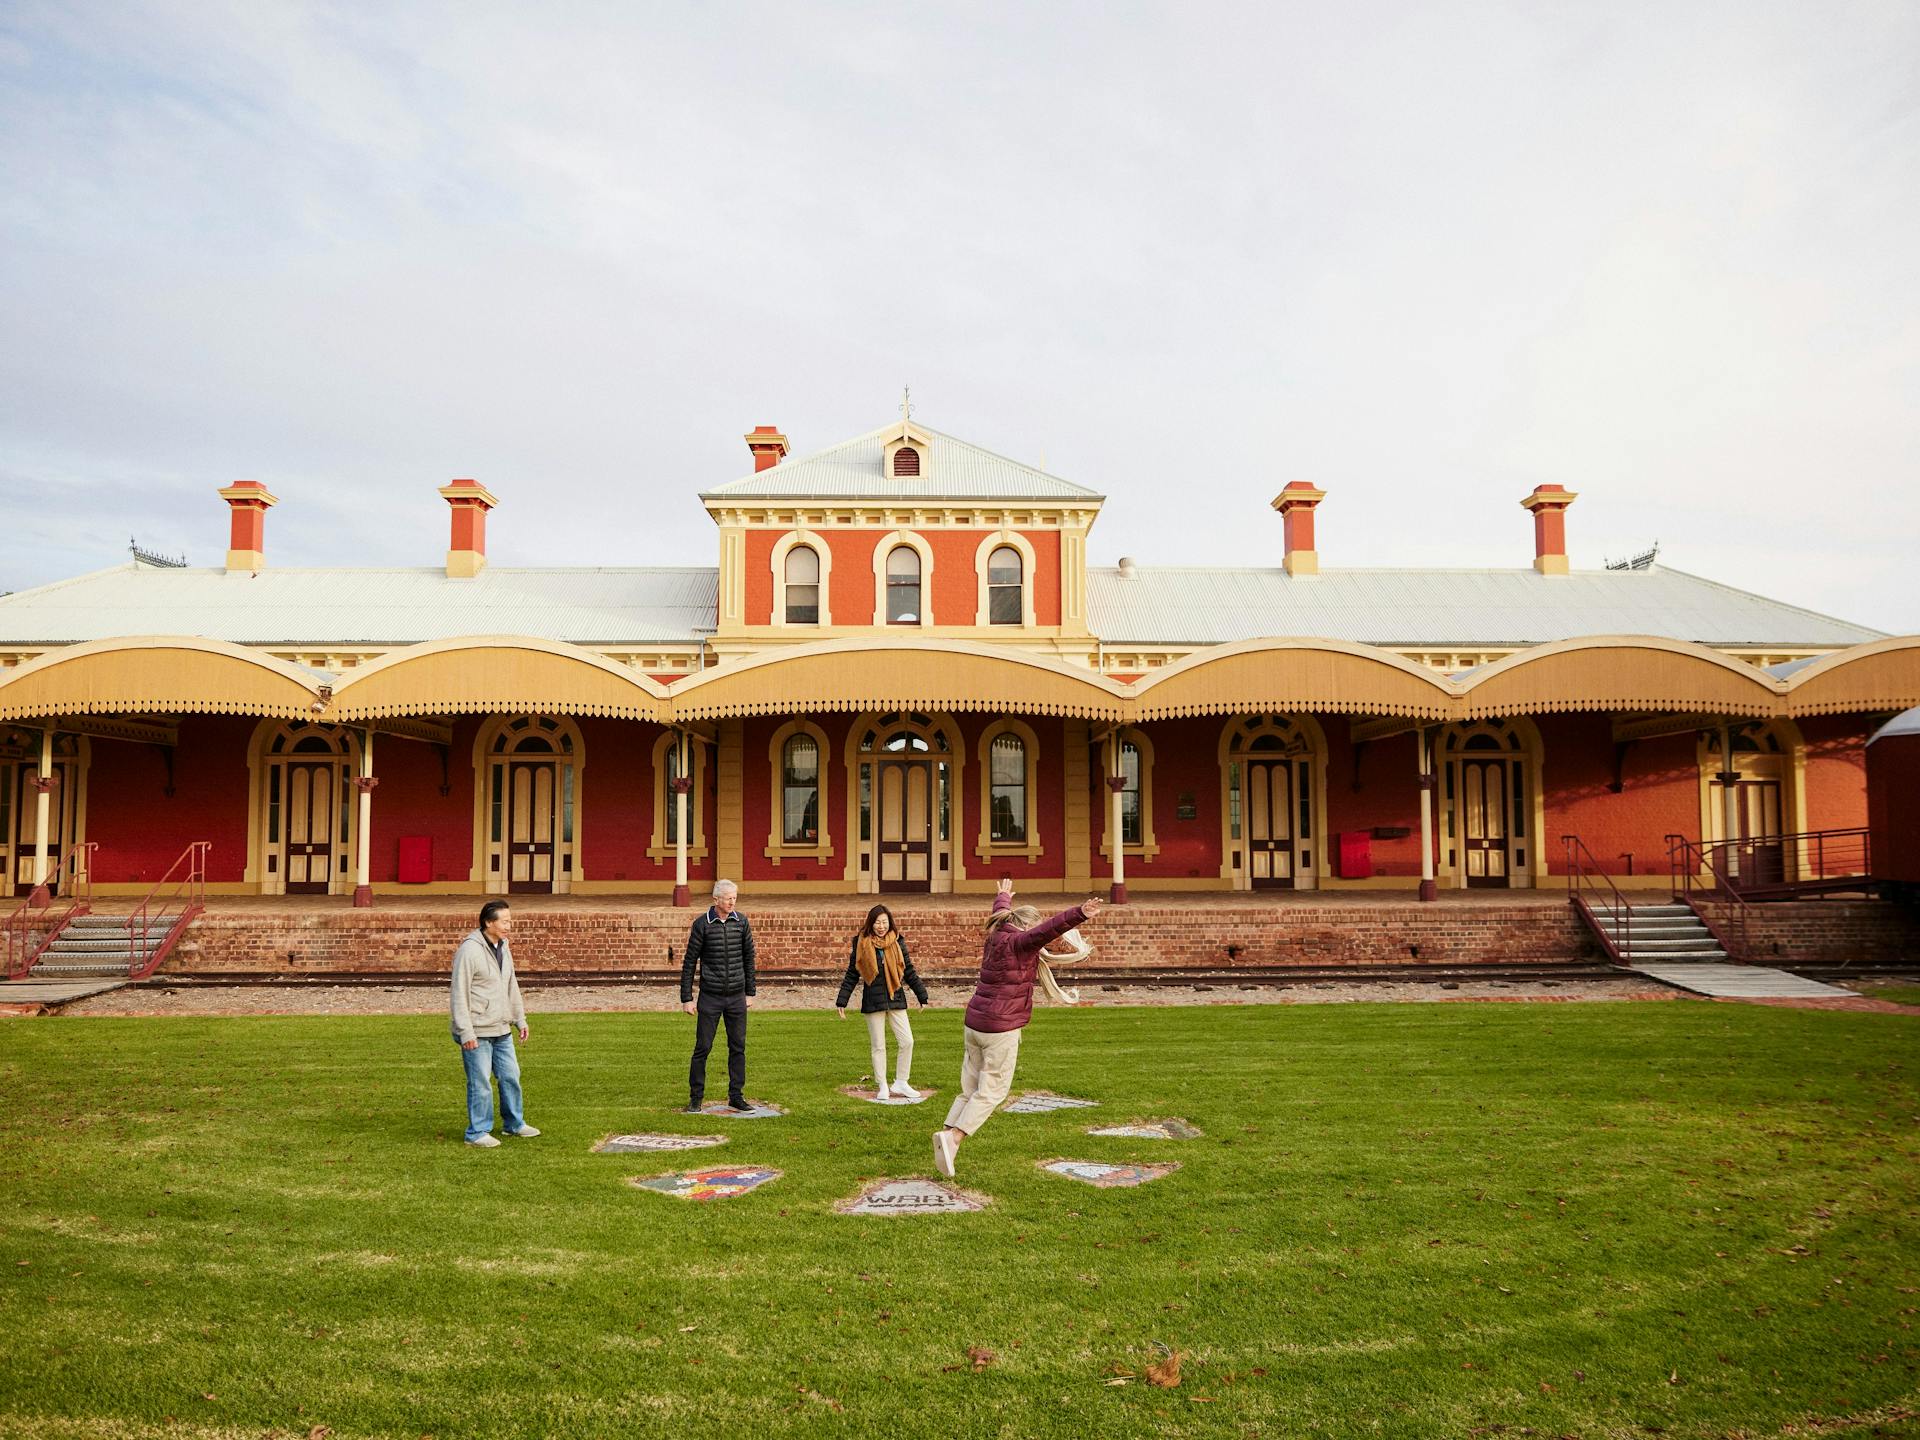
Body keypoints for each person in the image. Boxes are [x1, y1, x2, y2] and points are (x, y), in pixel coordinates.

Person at [933, 879, 1103, 1177]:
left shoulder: (998, 933)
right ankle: (955, 1137)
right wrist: (1080, 912)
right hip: (1001, 1027)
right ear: (1026, 927)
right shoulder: (1021, 942)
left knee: (969, 1089)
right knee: (992, 1091)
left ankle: (946, 1136)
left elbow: (1002, 912)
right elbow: (1049, 928)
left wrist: (1003, 896)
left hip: (975, 1023)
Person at [449, 899, 538, 1148]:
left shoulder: (503, 946)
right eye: (505, 921)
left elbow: (511, 985)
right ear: (489, 922)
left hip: (501, 1028)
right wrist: (465, 1031)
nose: (509, 925)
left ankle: (514, 1124)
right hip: (477, 1030)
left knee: (511, 1076)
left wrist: (519, 1019)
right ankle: (477, 1132)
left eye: (510, 920)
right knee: (480, 1083)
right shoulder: (469, 950)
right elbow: (459, 993)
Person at [835, 903, 931, 1100]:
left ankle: (901, 1082)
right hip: (873, 1001)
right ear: (871, 924)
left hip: (896, 996)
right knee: (878, 1045)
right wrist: (842, 1001)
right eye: (877, 922)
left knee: (907, 1041)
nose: (881, 926)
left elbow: (909, 971)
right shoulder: (862, 944)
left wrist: (922, 996)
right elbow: (852, 974)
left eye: (885, 922)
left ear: (890, 923)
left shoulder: (897, 942)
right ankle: (883, 1086)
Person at [680, 879, 757, 1112]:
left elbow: (749, 958)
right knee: (702, 1047)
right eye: (728, 897)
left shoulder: (741, 922)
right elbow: (689, 962)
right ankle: (696, 1098)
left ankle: (736, 1095)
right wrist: (687, 998)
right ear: (716, 900)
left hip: (736, 996)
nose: (732, 901)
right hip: (710, 997)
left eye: (735, 897)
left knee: (738, 1047)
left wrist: (750, 992)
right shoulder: (701, 924)